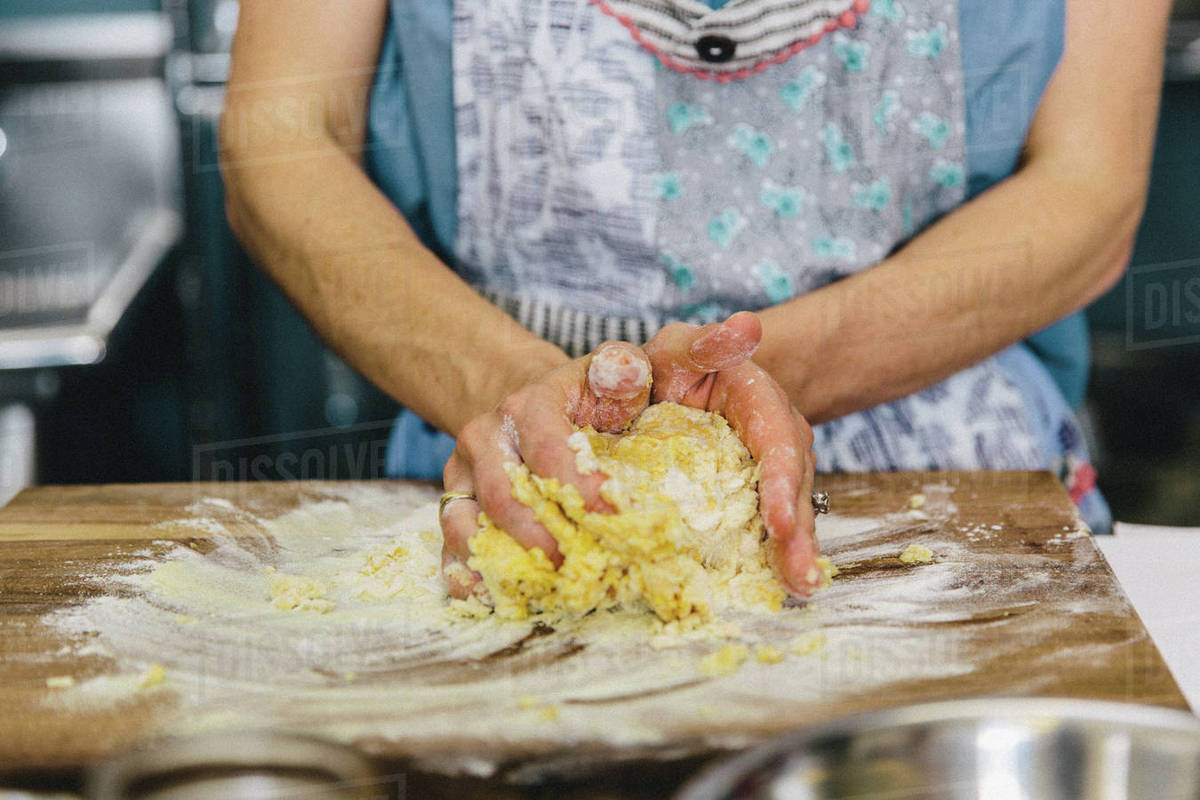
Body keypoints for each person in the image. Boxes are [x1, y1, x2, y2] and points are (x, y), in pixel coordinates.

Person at [219, 0, 1169, 597]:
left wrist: (749, 377)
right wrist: (523, 391)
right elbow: (286, 137)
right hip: (512, 465)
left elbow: (1089, 185)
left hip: (950, 495)